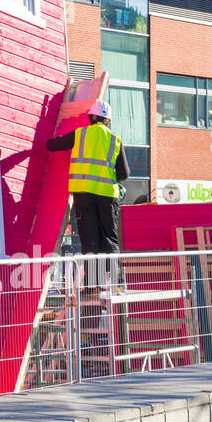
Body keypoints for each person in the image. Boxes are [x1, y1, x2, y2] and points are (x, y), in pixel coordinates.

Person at [43, 100, 129, 286]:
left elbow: (51, 145)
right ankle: (114, 282)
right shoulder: (115, 140)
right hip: (107, 195)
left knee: (90, 239)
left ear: (91, 117)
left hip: (83, 195)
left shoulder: (80, 134)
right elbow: (124, 174)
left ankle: (93, 284)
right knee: (109, 238)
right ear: (108, 120)